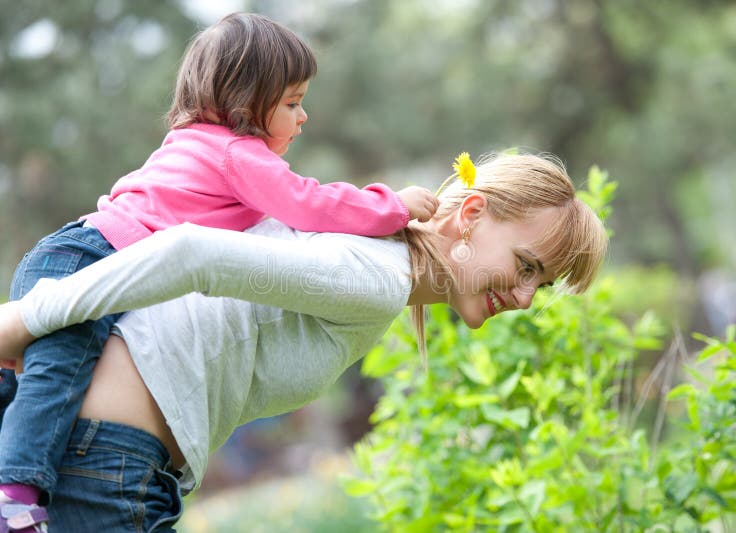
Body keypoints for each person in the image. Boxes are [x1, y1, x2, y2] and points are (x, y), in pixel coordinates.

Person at [0, 153, 607, 531]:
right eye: (526, 266)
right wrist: (23, 321)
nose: (525, 297)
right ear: (471, 214)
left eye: (542, 286)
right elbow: (190, 252)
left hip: (108, 459)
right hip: (108, 463)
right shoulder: (377, 277)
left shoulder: (375, 259)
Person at [0, 12, 439, 530]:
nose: (304, 118)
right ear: (246, 102)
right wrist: (392, 206)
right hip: (90, 256)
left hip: (77, 251)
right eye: (292, 103)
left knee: (28, 378)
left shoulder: (195, 141)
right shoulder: (236, 152)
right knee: (57, 374)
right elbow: (308, 203)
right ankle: (16, 497)